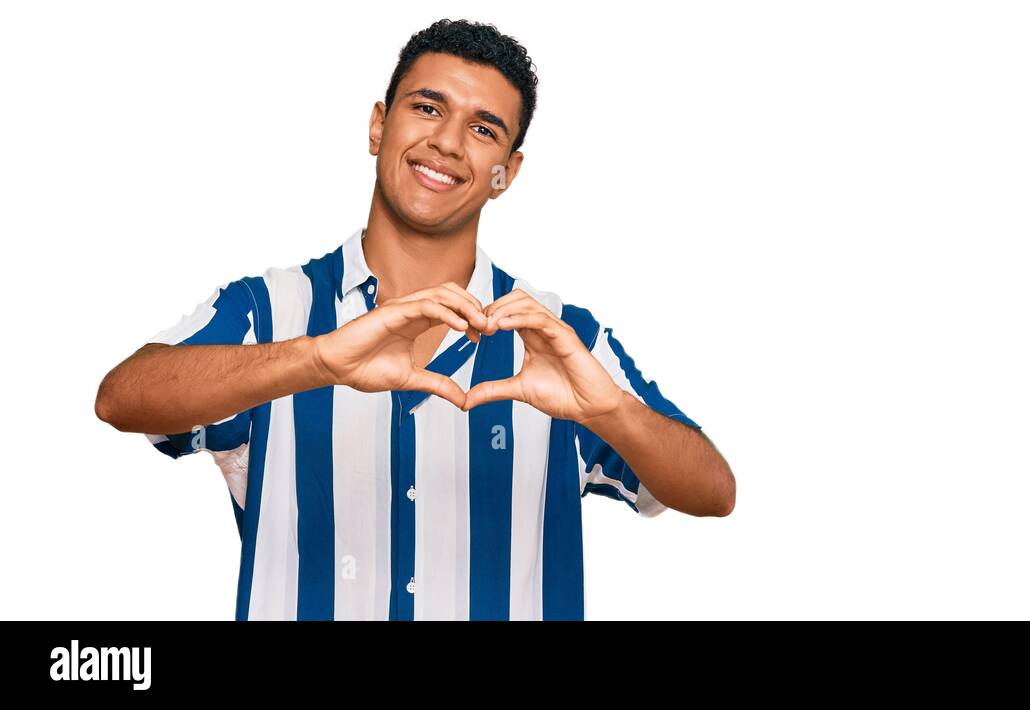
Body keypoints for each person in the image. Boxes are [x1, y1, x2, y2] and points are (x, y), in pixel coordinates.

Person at [94, 19, 735, 621]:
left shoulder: (560, 337)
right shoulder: (273, 310)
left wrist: (611, 413)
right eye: (427, 108)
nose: (448, 142)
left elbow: (713, 490)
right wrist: (316, 358)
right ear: (378, 126)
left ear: (505, 173)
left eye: (484, 129)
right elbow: (121, 397)